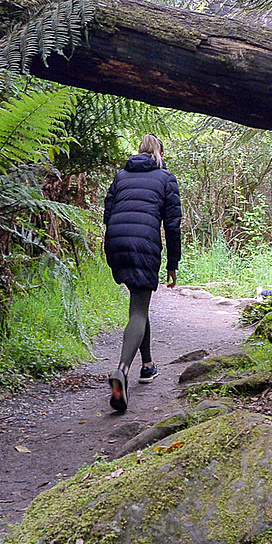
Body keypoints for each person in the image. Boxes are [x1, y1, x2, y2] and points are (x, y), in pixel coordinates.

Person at [102, 134, 181, 412]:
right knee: (138, 309)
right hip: (143, 243)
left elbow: (107, 213)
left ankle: (147, 366)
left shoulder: (121, 176)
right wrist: (173, 263)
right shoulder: (165, 178)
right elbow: (172, 225)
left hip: (116, 240)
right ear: (160, 153)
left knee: (138, 302)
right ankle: (121, 371)